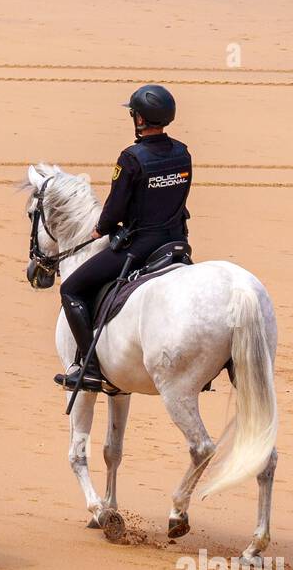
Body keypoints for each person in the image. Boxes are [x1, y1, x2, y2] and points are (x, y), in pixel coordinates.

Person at [56, 84, 192, 391]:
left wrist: (99, 229)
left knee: (71, 288)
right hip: (175, 242)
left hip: (141, 247)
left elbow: (116, 207)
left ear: (140, 120)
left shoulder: (131, 158)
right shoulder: (183, 153)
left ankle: (88, 369)